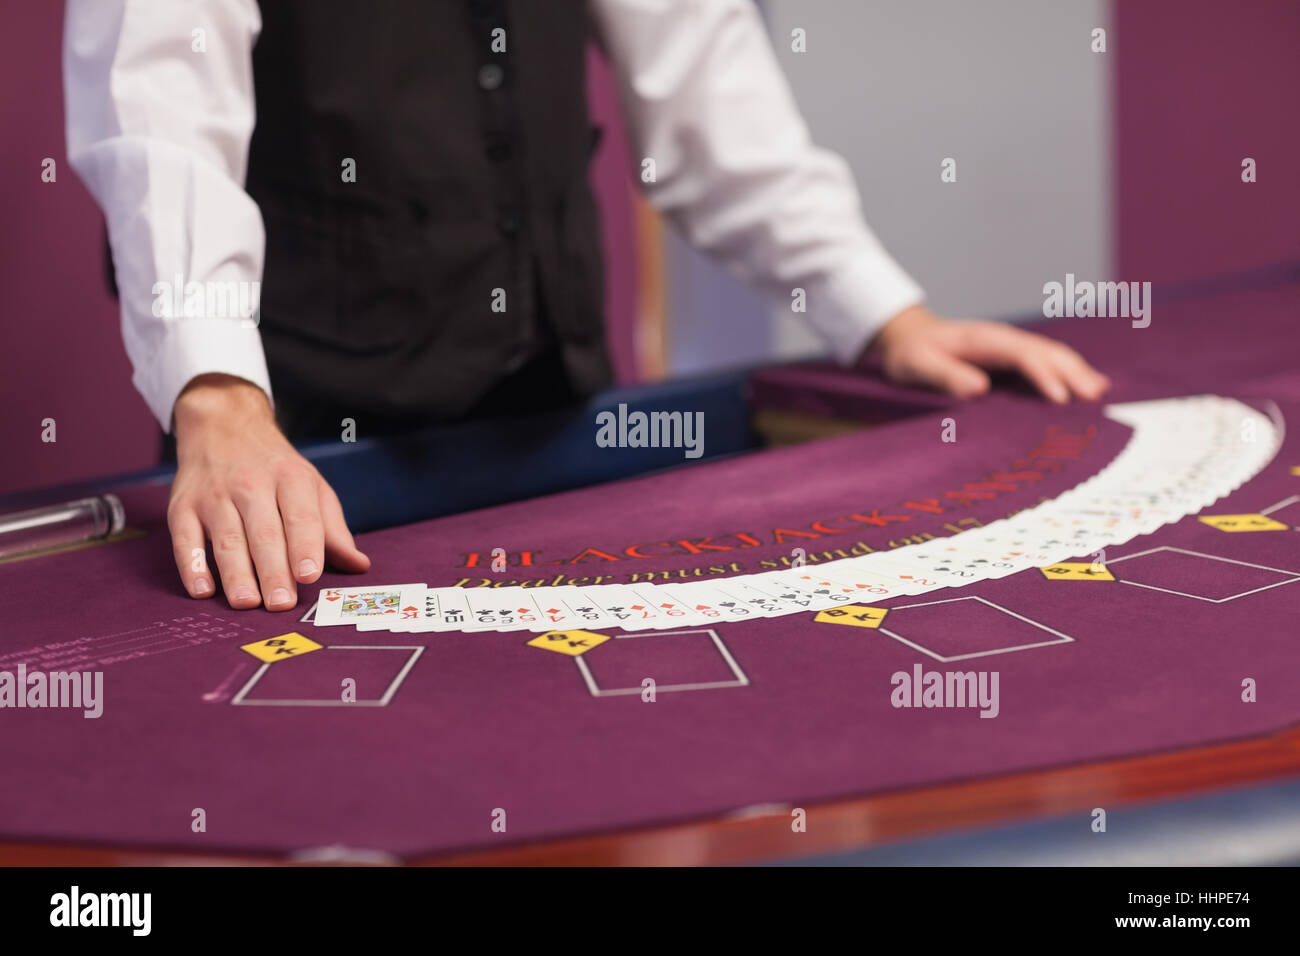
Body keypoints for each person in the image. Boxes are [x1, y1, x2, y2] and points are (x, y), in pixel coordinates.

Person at [64, 0, 1109, 612]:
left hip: (556, 419)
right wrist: (215, 396)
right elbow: (158, 114)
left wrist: (885, 315)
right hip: (289, 447)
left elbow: (705, 90)